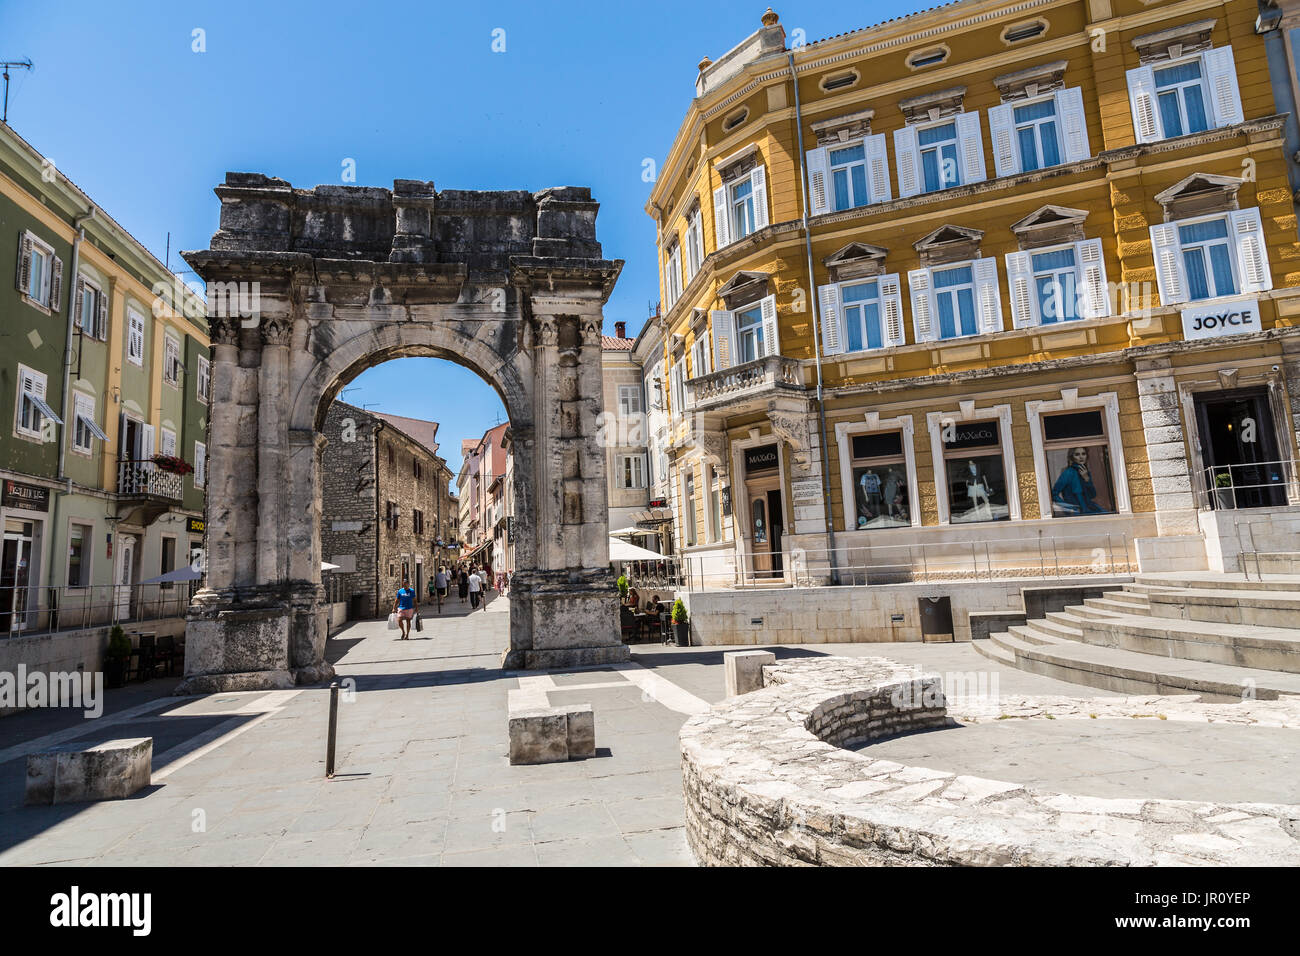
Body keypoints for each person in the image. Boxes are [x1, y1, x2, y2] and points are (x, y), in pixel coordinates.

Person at [1052, 446, 1107, 516]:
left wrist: (1087, 479)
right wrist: (1069, 508)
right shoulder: (1068, 473)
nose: (1081, 457)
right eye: (1077, 454)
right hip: (1077, 512)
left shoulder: (1085, 471)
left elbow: (1092, 495)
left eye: (1083, 454)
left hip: (1089, 509)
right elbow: (1054, 494)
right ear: (1072, 457)